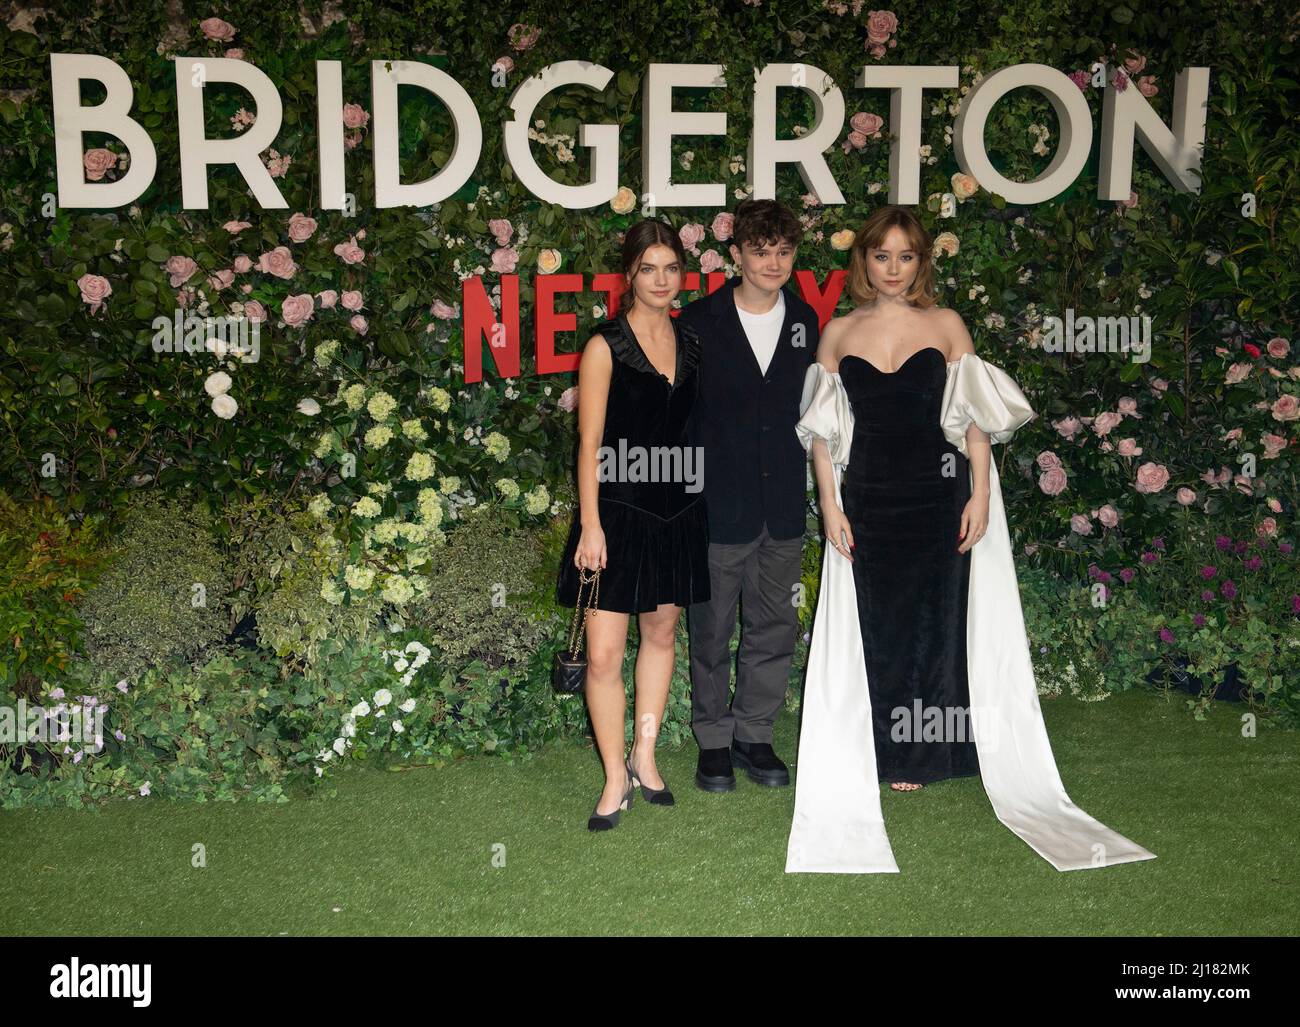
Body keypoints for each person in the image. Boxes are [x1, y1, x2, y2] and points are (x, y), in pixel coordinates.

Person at [785, 205, 1157, 873]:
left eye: (905, 256)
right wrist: (830, 504)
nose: (892, 268)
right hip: (868, 499)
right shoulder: (836, 333)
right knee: (878, 624)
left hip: (940, 493)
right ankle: (875, 747)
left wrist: (981, 493)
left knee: (936, 621)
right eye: (881, 256)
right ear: (864, 261)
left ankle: (925, 753)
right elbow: (823, 434)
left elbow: (974, 422)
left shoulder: (946, 324)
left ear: (920, 262)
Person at [555, 219, 709, 831]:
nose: (662, 279)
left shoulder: (693, 344)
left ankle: (645, 755)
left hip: (677, 512)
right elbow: (589, 442)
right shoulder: (604, 346)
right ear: (629, 275)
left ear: (682, 275)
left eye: (671, 268)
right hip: (615, 515)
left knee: (663, 635)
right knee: (602, 655)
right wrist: (591, 526)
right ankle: (614, 775)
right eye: (649, 268)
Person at [678, 199, 821, 793]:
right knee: (710, 630)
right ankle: (713, 739)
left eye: (784, 252)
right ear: (735, 255)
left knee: (775, 626)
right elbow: (678, 417)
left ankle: (754, 734)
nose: (774, 263)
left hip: (783, 506)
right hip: (717, 507)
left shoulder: (806, 322)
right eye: (761, 252)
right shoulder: (697, 322)